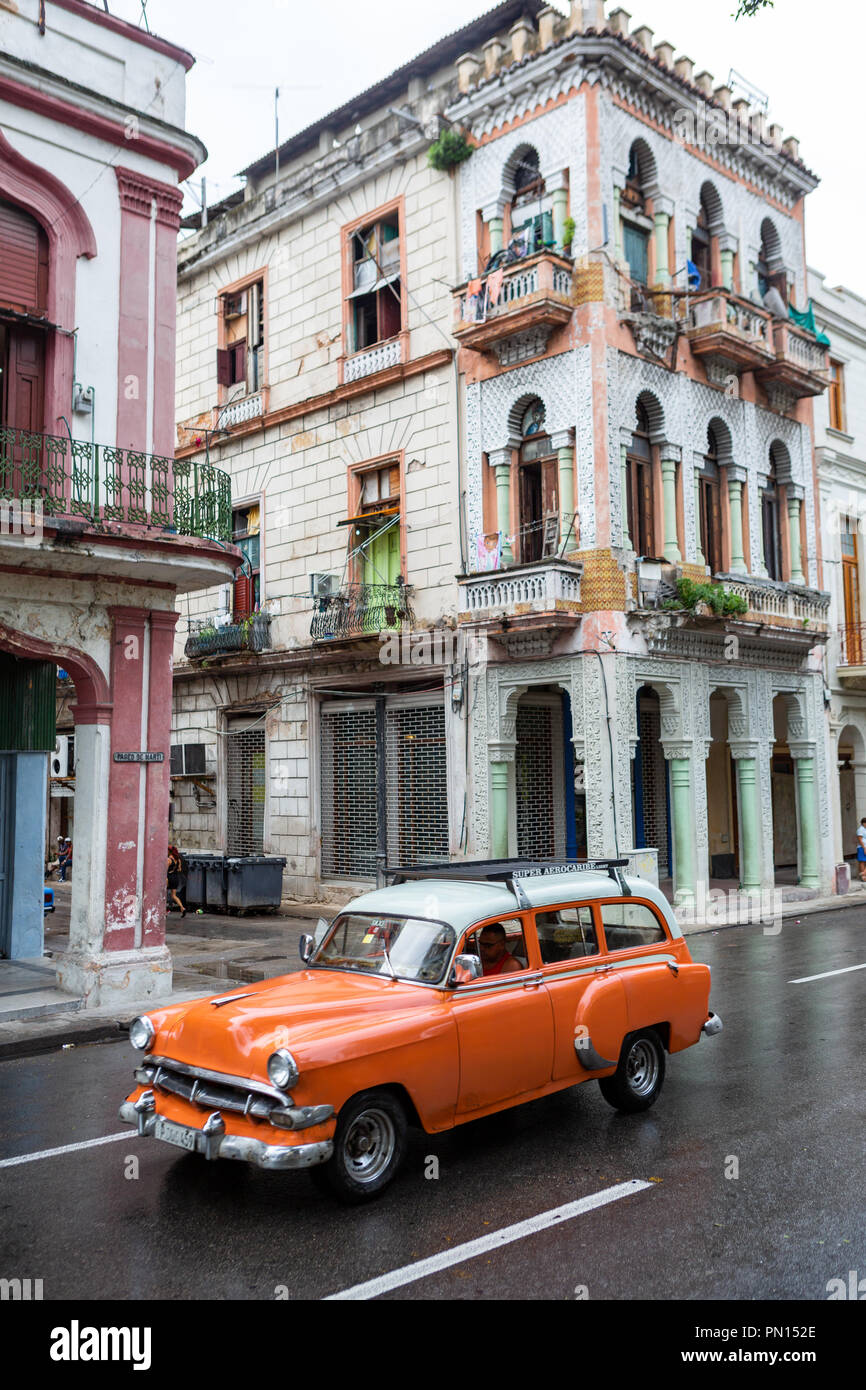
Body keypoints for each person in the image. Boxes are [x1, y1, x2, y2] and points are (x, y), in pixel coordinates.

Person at [167, 844, 186, 917]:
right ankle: (182, 908)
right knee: (174, 895)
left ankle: (164, 911)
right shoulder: (178, 859)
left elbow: (165, 871)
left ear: (170, 851)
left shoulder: (168, 859)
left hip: (169, 878)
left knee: (163, 894)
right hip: (176, 878)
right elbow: (179, 869)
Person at [856, 818, 866, 884]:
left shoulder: (865, 829)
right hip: (862, 847)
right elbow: (860, 840)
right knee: (862, 861)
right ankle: (863, 877)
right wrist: (864, 848)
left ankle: (863, 875)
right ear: (863, 823)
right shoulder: (860, 830)